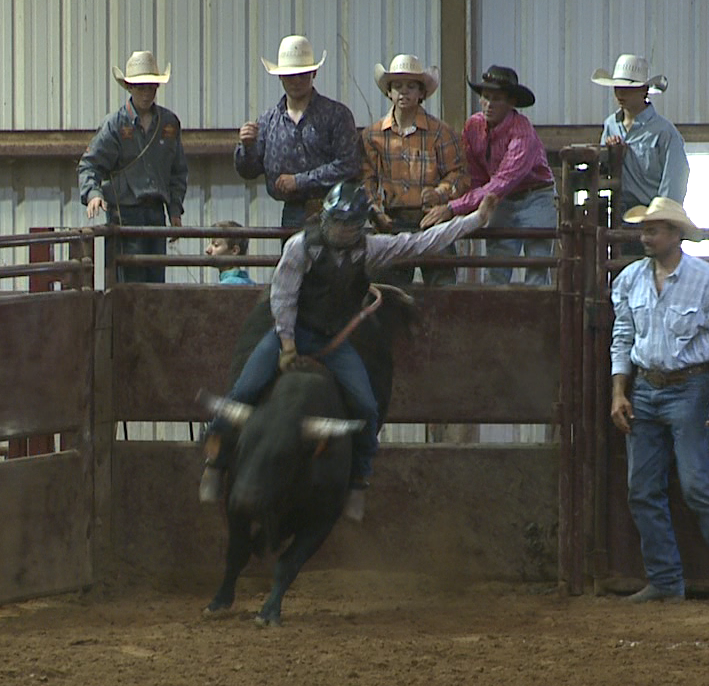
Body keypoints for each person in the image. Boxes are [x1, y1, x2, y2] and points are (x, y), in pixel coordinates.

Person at [200, 181, 499, 522]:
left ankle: (358, 479)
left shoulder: (369, 249)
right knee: (242, 391)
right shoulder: (300, 247)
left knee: (367, 407)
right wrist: (287, 343)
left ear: (359, 226)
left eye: (349, 224)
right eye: (338, 222)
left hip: (333, 339)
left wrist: (476, 219)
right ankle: (215, 461)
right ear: (327, 220)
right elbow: (282, 297)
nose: (342, 230)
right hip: (294, 331)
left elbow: (421, 242)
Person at [608, 197, 709, 608]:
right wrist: (619, 392)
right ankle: (666, 581)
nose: (645, 237)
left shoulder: (706, 281)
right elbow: (622, 337)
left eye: (653, 230)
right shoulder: (630, 280)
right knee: (642, 489)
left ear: (675, 234)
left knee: (695, 486)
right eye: (644, 230)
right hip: (645, 388)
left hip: (689, 388)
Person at [421, 65, 555, 286]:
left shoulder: (522, 132)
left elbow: (503, 181)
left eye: (497, 98)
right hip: (499, 198)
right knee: (497, 260)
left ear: (511, 102)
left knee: (537, 261)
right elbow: (474, 173)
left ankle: (536, 306)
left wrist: (453, 208)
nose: (489, 104)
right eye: (486, 97)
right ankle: (494, 305)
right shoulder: (473, 126)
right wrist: (461, 203)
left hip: (535, 196)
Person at [78, 51, 188, 284]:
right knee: (129, 283)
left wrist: (175, 210)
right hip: (125, 213)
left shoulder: (169, 123)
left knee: (154, 281)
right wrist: (93, 193)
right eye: (140, 87)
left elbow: (177, 171)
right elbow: (90, 165)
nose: (147, 93)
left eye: (151, 87)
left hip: (156, 212)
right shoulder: (115, 125)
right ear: (129, 88)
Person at [361, 54, 468, 286]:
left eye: (411, 86)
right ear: (389, 92)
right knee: (388, 288)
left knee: (442, 286)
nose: (404, 92)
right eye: (397, 86)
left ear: (421, 93)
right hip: (391, 219)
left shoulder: (440, 132)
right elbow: (366, 179)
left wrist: (440, 193)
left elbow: (459, 173)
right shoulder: (373, 135)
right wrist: (375, 210)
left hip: (431, 217)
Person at [236, 35, 362, 229]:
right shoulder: (267, 121)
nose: (296, 81)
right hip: (292, 212)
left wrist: (299, 181)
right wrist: (247, 146)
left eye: (302, 74)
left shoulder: (336, 115)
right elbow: (249, 171)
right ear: (280, 76)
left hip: (334, 209)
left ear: (314, 74)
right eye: (290, 75)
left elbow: (350, 164)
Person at [592, 54, 689, 256]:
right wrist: (611, 154)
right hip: (620, 213)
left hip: (652, 214)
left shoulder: (664, 132)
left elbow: (675, 177)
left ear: (644, 91)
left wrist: (662, 216)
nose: (620, 93)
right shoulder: (611, 125)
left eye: (627, 88)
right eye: (617, 88)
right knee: (623, 265)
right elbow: (602, 170)